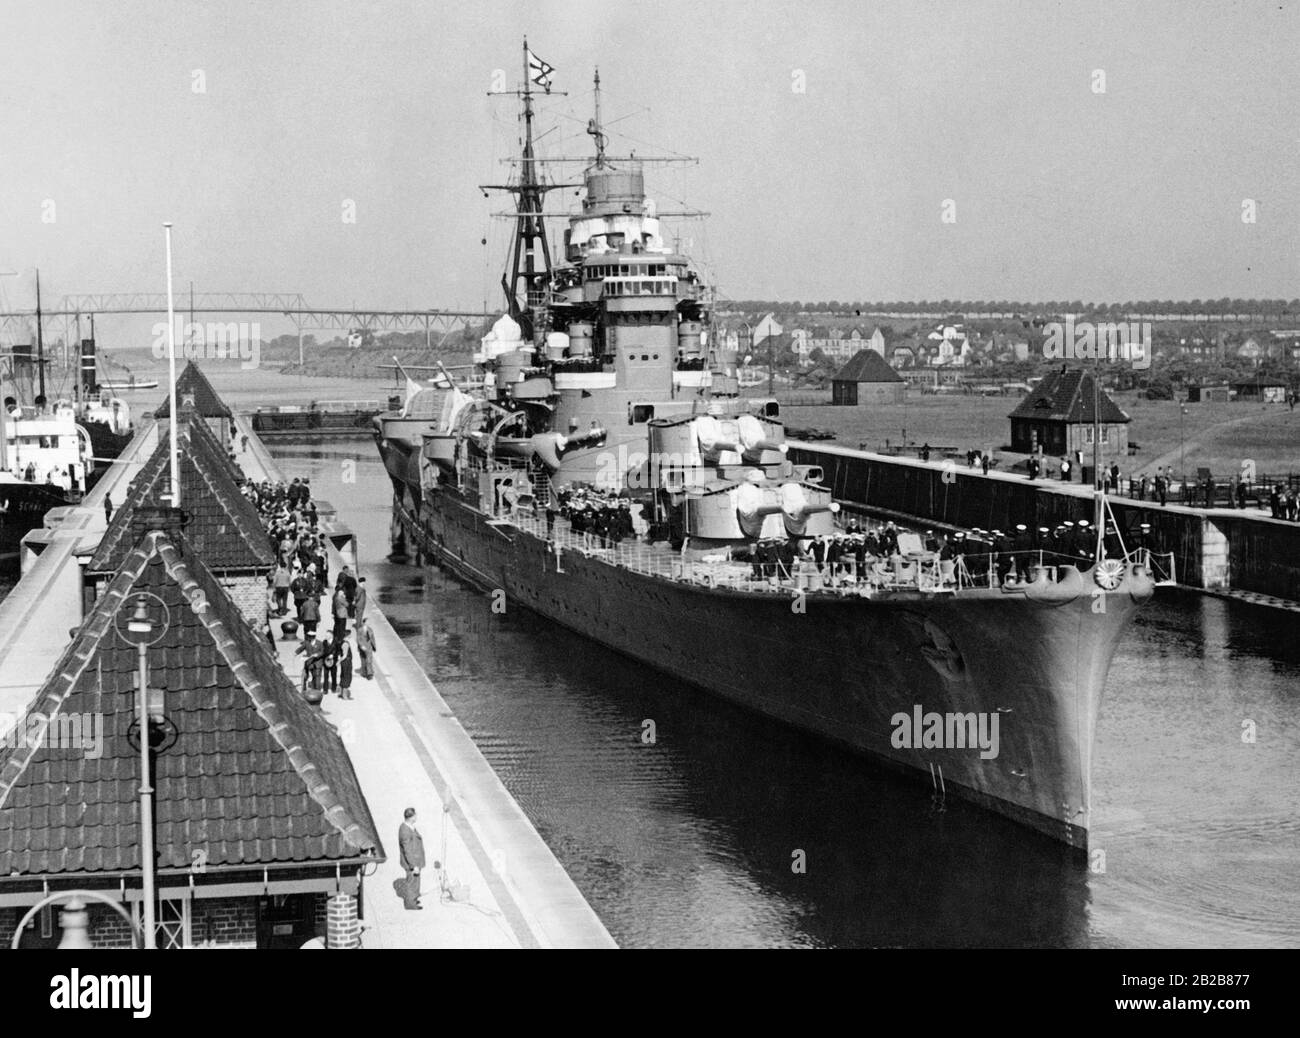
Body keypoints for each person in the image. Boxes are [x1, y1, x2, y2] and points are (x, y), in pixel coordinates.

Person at [398, 808, 425, 910]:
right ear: (411, 817)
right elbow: (407, 851)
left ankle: (414, 897)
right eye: (415, 815)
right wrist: (413, 866)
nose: (416, 817)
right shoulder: (405, 831)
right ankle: (410, 904)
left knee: (415, 881)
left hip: (415, 860)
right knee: (411, 882)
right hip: (411, 862)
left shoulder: (409, 826)